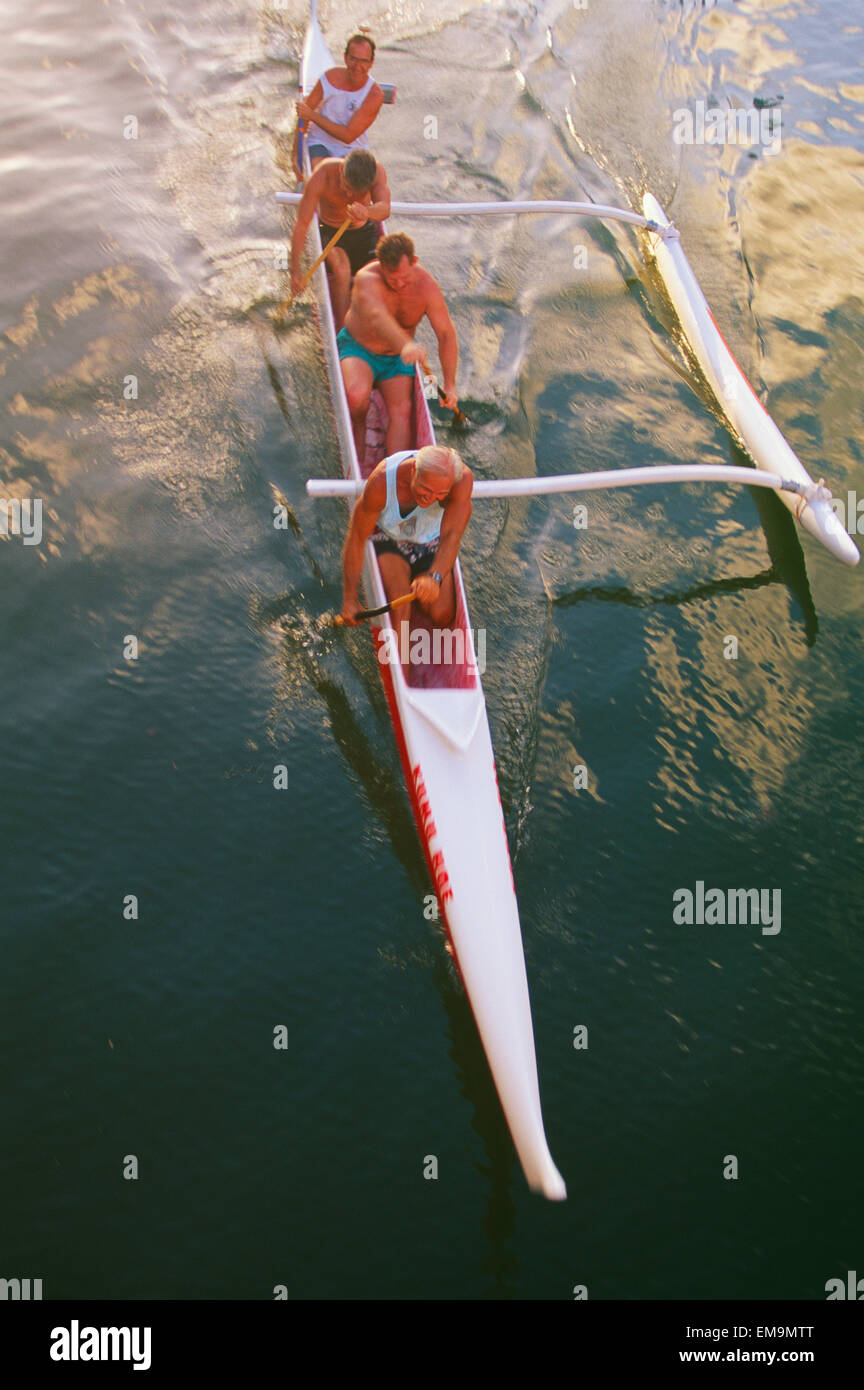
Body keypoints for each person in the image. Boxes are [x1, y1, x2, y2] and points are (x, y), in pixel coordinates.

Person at [338, 232, 459, 458]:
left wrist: (450, 385)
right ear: (381, 266)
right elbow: (378, 317)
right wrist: (406, 345)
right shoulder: (366, 278)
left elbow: (446, 335)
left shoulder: (427, 287)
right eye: (392, 279)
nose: (400, 284)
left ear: (414, 262)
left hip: (396, 358)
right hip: (359, 348)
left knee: (403, 411)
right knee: (356, 395)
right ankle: (358, 427)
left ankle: (394, 470)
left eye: (404, 277)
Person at [340, 446, 472, 629]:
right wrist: (350, 599)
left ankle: (420, 581)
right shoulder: (381, 482)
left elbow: (451, 536)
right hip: (390, 537)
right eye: (425, 489)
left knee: (442, 615)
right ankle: (401, 656)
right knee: (401, 610)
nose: (431, 499)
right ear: (413, 470)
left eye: (440, 494)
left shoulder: (462, 481)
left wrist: (435, 577)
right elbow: (356, 538)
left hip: (431, 541)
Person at [290, 149, 390, 331]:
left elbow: (384, 208)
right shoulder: (323, 175)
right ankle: (343, 331)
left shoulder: (378, 172)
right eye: (346, 187)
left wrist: (367, 212)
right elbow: (301, 225)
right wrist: (295, 272)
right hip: (330, 232)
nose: (349, 196)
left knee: (378, 274)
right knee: (342, 269)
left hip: (364, 232)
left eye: (355, 192)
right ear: (342, 168)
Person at [293, 33, 383, 177]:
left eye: (363, 61)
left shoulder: (375, 94)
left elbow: (348, 135)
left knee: (355, 181)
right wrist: (295, 156)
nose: (358, 67)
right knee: (321, 174)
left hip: (353, 148)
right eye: (353, 59)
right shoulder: (329, 78)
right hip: (320, 142)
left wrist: (313, 116)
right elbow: (303, 118)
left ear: (371, 63)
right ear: (345, 57)